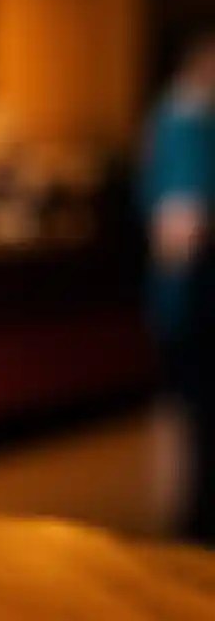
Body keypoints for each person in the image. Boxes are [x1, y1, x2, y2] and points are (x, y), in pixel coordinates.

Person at [143, 33, 215, 544]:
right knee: (192, 411)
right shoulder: (185, 123)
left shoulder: (184, 121)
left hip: (186, 298)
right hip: (193, 298)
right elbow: (178, 227)